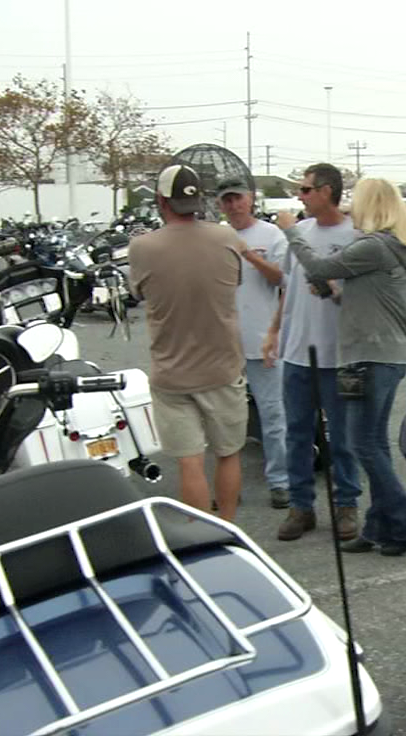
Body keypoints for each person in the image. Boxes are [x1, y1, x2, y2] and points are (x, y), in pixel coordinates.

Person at [273, 178, 406, 556]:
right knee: (374, 444)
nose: (350, 207)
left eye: (357, 201)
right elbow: (370, 301)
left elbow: (317, 264)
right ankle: (382, 529)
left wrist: (290, 230)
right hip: (386, 355)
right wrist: (335, 293)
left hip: (370, 357)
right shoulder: (392, 245)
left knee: (363, 446)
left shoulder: (374, 246)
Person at [128, 164, 247, 521]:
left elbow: (139, 293)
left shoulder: (142, 247)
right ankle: (230, 529)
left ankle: (202, 536)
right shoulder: (227, 239)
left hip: (172, 373)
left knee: (190, 462)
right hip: (223, 367)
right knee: (228, 453)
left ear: (162, 201)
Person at [262, 163, 363, 543]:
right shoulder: (299, 233)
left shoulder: (356, 234)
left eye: (305, 190)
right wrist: (274, 331)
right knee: (297, 433)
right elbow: (287, 288)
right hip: (297, 353)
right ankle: (301, 507)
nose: (299, 197)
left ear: (326, 191)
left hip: (339, 355)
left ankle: (347, 505)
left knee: (343, 435)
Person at [217, 177, 290, 509]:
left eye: (238, 199)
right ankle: (228, 486)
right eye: (227, 200)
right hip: (223, 343)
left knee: (273, 416)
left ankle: (280, 481)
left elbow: (281, 279)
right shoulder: (215, 236)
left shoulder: (271, 235)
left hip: (264, 341)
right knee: (223, 420)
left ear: (251, 200)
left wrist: (248, 254)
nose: (233, 205)